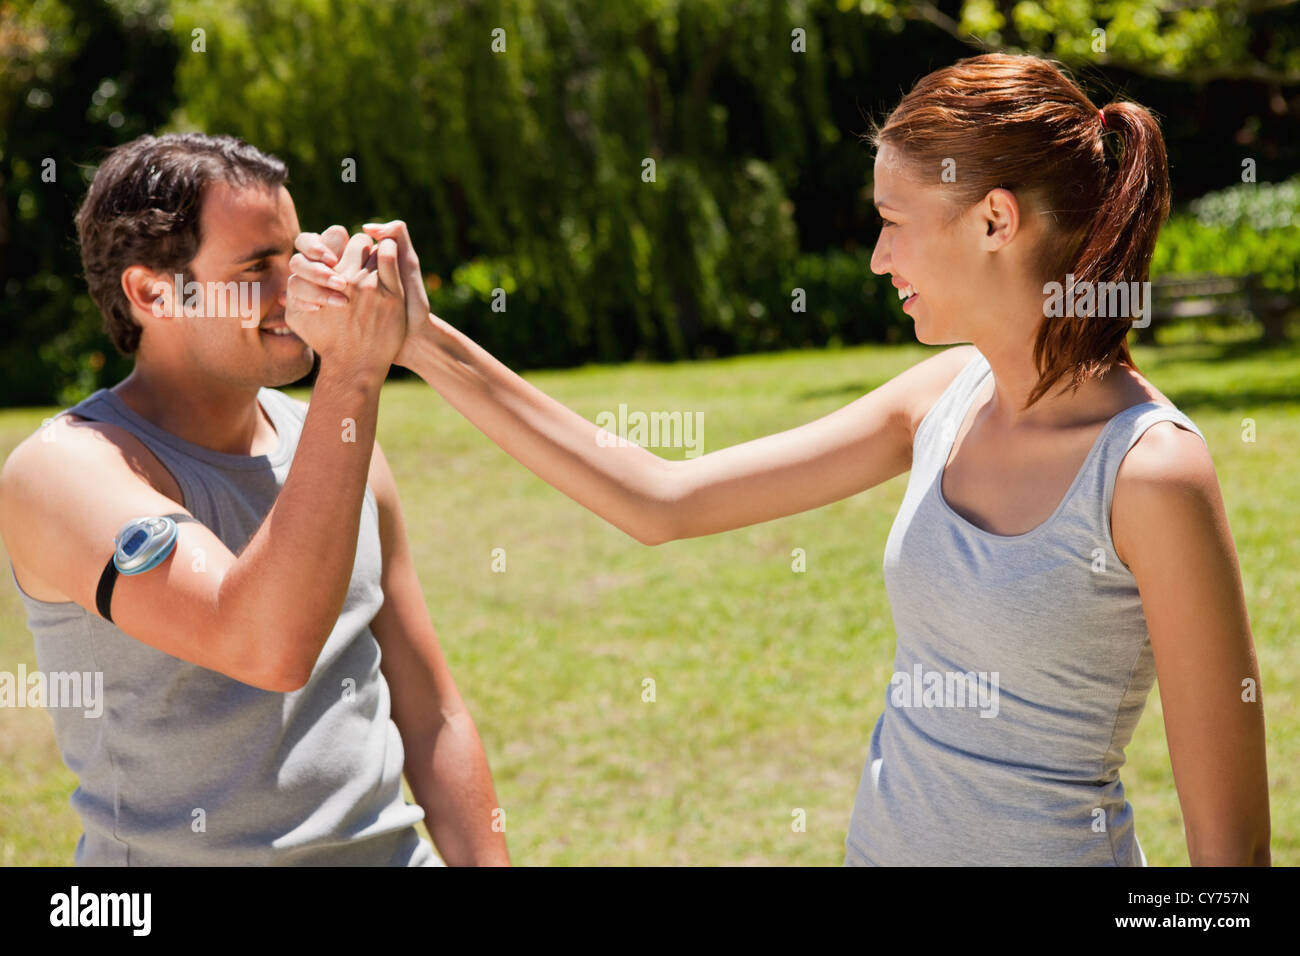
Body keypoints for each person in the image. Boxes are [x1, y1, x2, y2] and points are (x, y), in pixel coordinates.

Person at [289, 52, 1270, 866]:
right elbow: (659, 498)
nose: (878, 259)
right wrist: (421, 339)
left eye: (891, 223)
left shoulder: (1147, 473)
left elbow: (1229, 863)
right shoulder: (943, 398)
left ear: (994, 221)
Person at [0, 133, 508, 866]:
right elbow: (265, 645)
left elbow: (434, 714)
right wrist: (353, 374)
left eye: (295, 257)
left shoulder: (331, 441)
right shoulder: (64, 470)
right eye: (258, 268)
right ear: (151, 292)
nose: (299, 290)